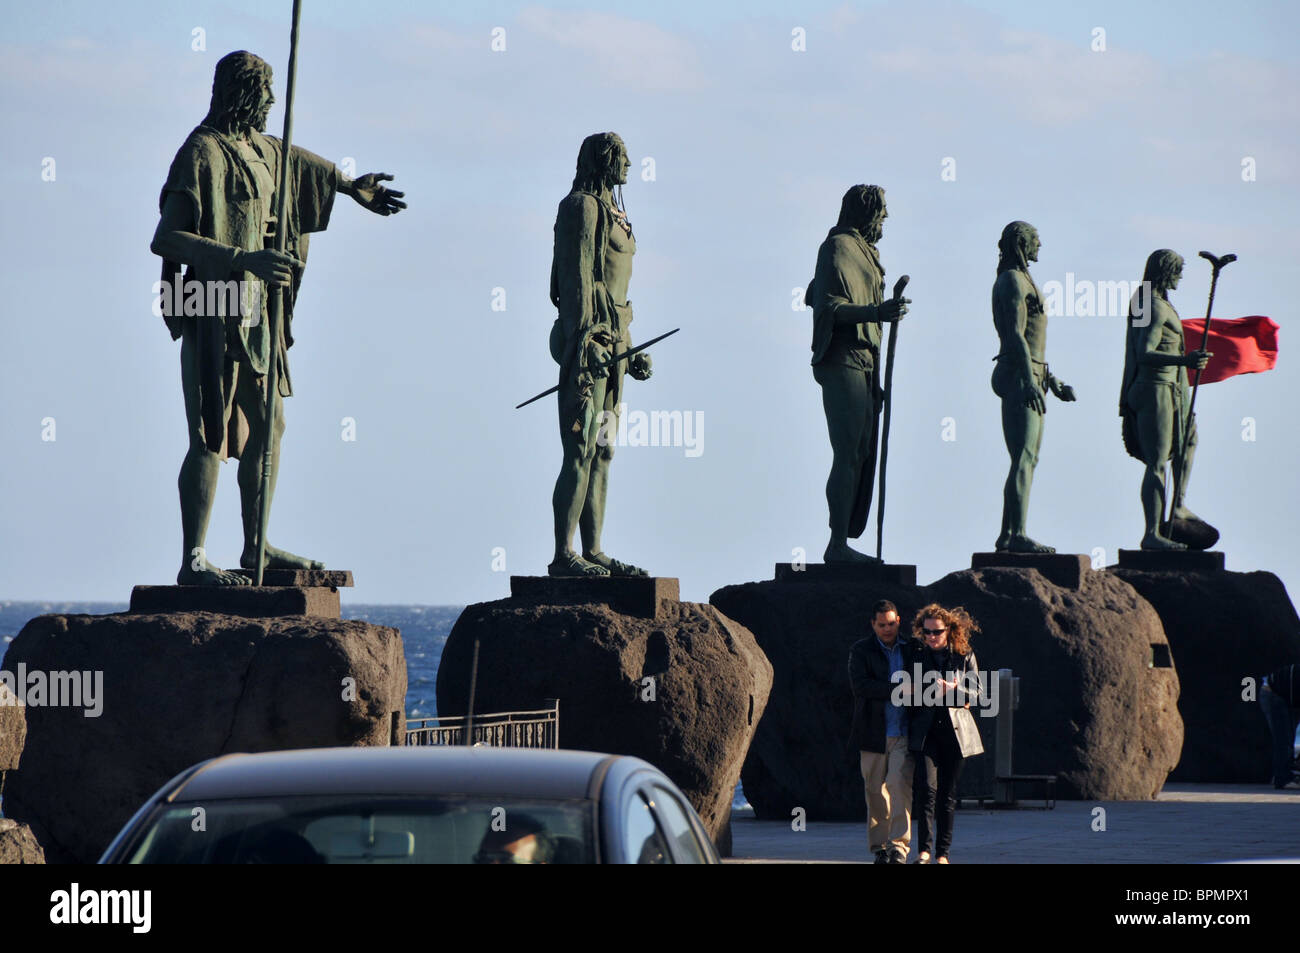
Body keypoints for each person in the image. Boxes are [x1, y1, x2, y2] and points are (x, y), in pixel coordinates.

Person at [152, 50, 406, 586]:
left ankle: (254, 547)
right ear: (243, 92)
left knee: (270, 426)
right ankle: (193, 561)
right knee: (208, 431)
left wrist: (349, 186)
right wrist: (242, 259)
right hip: (214, 308)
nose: (271, 102)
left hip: (258, 317)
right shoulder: (202, 151)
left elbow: (305, 166)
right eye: (264, 91)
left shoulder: (264, 150)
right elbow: (166, 238)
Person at [548, 132, 653, 577]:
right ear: (604, 160)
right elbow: (572, 286)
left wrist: (629, 346)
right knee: (580, 447)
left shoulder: (616, 211)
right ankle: (564, 554)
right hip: (588, 346)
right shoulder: (581, 207)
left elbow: (616, 286)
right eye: (622, 157)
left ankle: (594, 549)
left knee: (604, 450)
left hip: (617, 344)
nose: (628, 164)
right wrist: (586, 343)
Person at [806, 185, 910, 563]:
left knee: (862, 454)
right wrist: (876, 312)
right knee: (847, 452)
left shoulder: (867, 254)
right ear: (866, 213)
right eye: (880, 213)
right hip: (842, 358)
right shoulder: (837, 248)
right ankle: (836, 546)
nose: (884, 221)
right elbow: (829, 306)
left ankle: (844, 542)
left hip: (867, 363)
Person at [1119, 249, 1218, 550]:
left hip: (1171, 389)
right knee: (1157, 462)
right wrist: (1185, 361)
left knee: (1189, 439)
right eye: (1177, 271)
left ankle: (1177, 505)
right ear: (1165, 271)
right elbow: (1145, 352)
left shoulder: (1157, 303)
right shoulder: (1151, 305)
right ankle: (1151, 534)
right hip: (1154, 388)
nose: (1180, 277)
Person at [990, 221, 1075, 553]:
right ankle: (1016, 535)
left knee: (1029, 459)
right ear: (1022, 243)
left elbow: (1032, 340)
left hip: (1033, 375)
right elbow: (1014, 333)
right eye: (1036, 240)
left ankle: (1009, 535)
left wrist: (1050, 380)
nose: (1040, 245)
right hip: (1017, 376)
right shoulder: (1011, 280)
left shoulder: (1023, 278)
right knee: (1023, 458)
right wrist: (1027, 379)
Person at [906, 603, 984, 864]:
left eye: (936, 632)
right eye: (926, 632)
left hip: (955, 732)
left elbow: (978, 693)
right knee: (927, 790)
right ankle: (924, 851)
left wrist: (952, 690)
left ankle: (942, 854)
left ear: (948, 630)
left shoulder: (964, 655)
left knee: (947, 796)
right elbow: (905, 692)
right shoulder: (917, 655)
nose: (931, 637)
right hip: (926, 732)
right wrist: (926, 691)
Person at [848, 599, 916, 863]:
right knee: (875, 791)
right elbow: (861, 686)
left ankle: (898, 845)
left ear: (898, 621)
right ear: (873, 625)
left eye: (891, 623)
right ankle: (879, 848)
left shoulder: (912, 648)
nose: (887, 629)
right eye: (881, 625)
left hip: (903, 731)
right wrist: (898, 690)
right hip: (873, 732)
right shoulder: (861, 650)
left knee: (899, 786)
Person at [1259, 663, 1299, 789]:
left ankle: (1283, 774)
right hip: (1274, 693)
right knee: (1284, 738)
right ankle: (1283, 779)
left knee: (1287, 737)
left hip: (1286, 695)